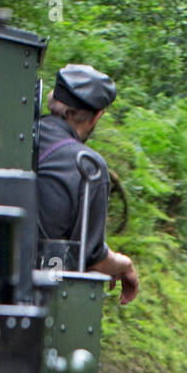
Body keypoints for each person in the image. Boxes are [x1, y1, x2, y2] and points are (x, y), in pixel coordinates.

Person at [37, 64, 139, 303]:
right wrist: (124, 264)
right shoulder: (87, 166)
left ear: (53, 101)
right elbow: (93, 260)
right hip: (40, 298)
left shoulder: (14, 137)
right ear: (97, 116)